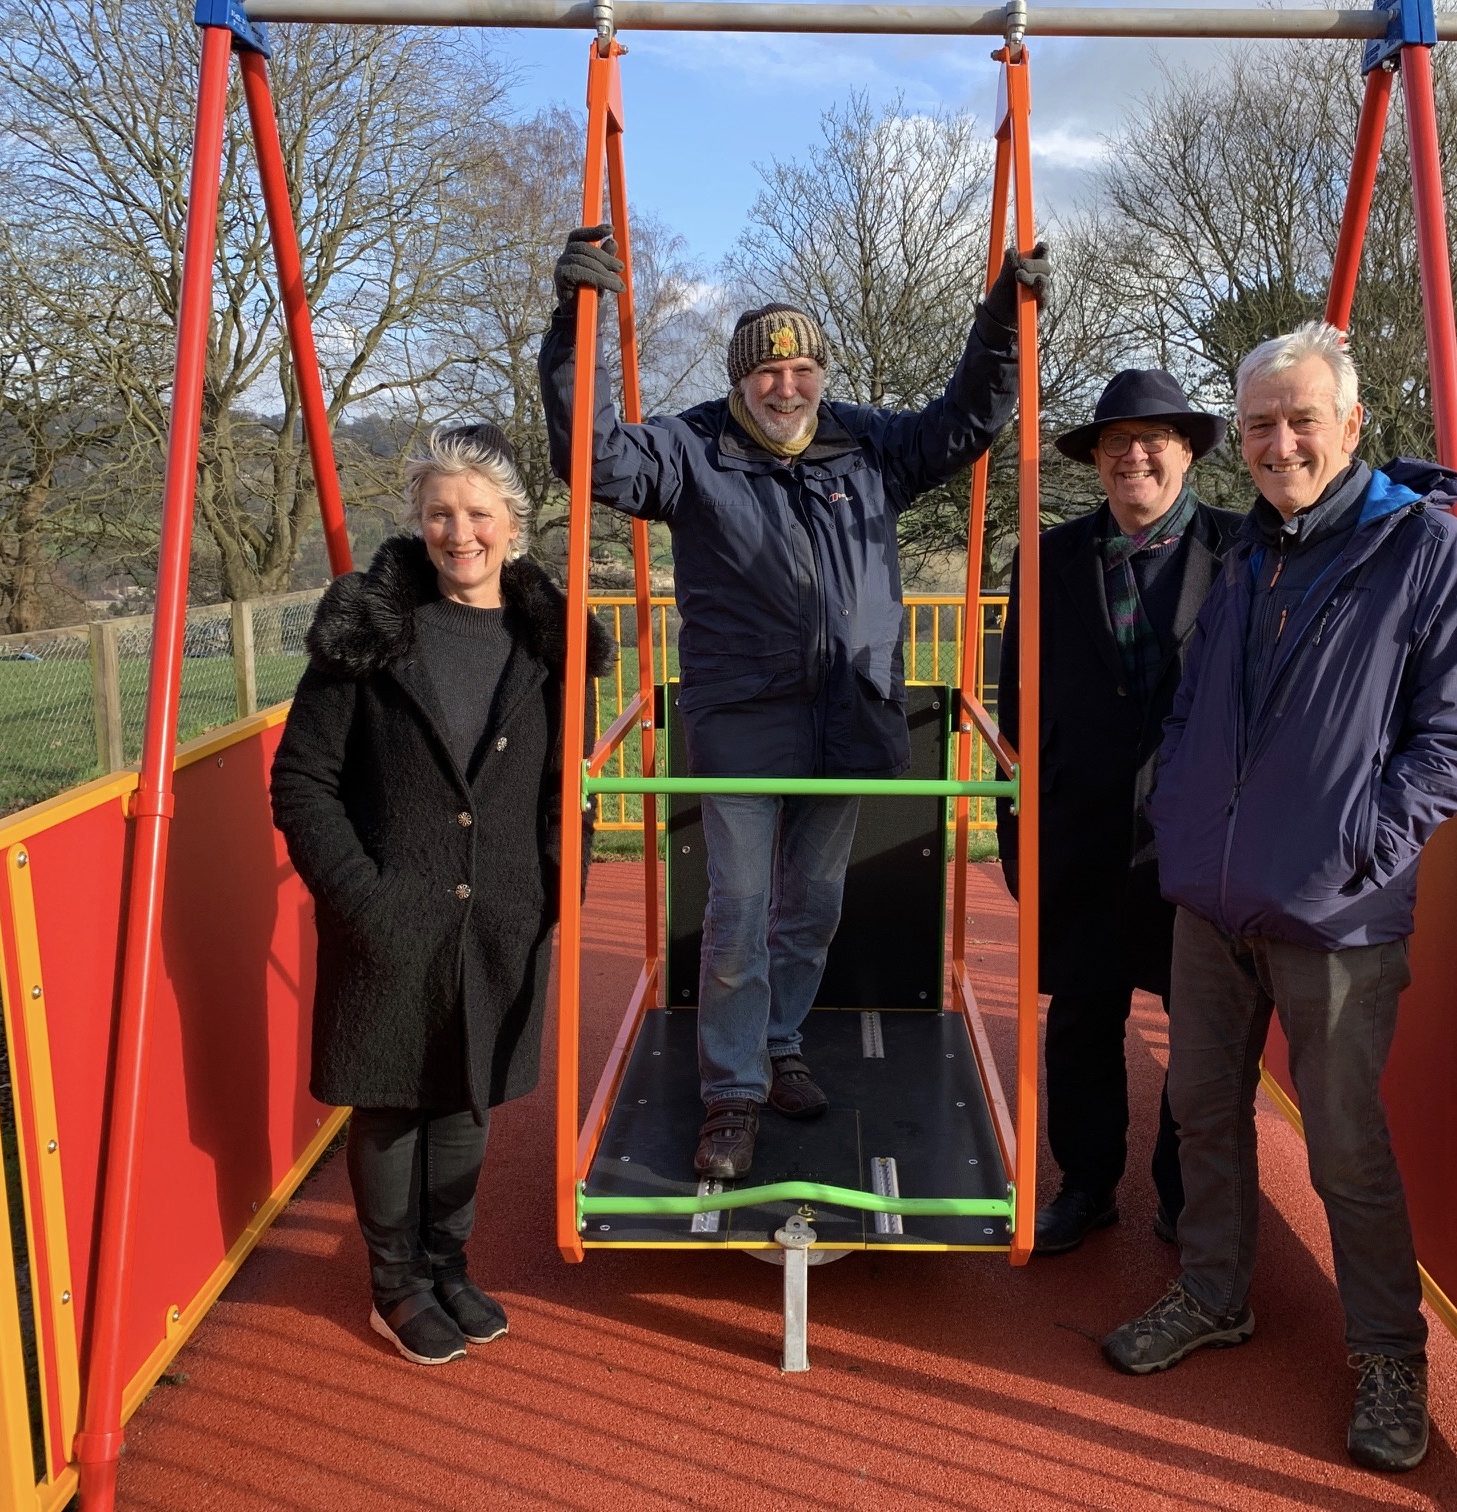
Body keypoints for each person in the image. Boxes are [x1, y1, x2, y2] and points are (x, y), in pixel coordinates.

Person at [540, 225, 1047, 1180]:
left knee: (811, 903)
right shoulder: (692, 451)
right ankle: (729, 1094)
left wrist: (999, 329)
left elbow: (967, 425)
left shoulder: (870, 445)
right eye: (767, 373)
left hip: (850, 716)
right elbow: (593, 457)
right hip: (743, 721)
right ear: (740, 381)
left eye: (803, 368)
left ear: (820, 373)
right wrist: (579, 325)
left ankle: (777, 1045)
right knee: (737, 910)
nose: (786, 387)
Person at [1102, 322, 1457, 1475]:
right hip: (1212, 901)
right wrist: (1182, 814)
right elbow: (1194, 710)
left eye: (1301, 421)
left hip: (1335, 914)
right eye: (1262, 425)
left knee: (1344, 1148)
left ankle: (1387, 1354)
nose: (1280, 442)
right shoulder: (1250, 553)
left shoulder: (1419, 550)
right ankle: (1215, 1293)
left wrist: (1359, 850)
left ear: (1351, 426)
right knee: (1200, 1111)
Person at [271, 424, 613, 1367]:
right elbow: (302, 781)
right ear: (419, 523)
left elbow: (563, 791)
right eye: (438, 514)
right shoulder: (370, 630)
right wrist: (362, 900)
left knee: (468, 1101)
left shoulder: (545, 645)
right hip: (389, 911)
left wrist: (555, 894)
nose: (457, 533)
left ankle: (447, 1263)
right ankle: (395, 1285)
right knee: (390, 1104)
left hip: (499, 912)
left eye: (476, 514)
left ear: (513, 525)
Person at [995, 370, 1243, 1255]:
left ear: (1187, 452)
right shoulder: (1050, 558)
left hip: (1196, 836)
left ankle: (1183, 1197)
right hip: (1084, 831)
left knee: (1201, 1032)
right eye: (1115, 443)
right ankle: (1089, 1184)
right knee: (1082, 1022)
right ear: (1096, 459)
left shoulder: (1244, 549)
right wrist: (1027, 827)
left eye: (1155, 440)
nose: (1135, 455)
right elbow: (1019, 701)